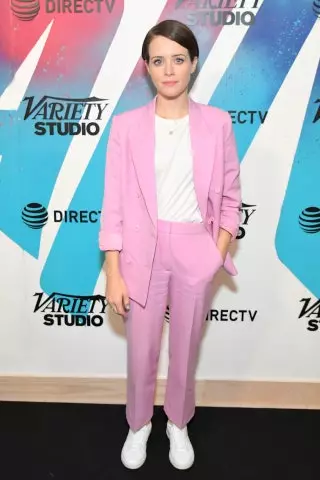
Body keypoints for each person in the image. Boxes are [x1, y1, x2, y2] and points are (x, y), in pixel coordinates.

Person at [99, 19, 241, 470]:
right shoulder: (125, 127)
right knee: (141, 348)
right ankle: (139, 423)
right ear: (146, 67)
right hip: (143, 250)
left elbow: (231, 195)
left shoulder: (217, 123)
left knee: (186, 347)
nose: (169, 70)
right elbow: (114, 203)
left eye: (178, 59)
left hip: (195, 246)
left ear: (193, 63)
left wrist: (215, 252)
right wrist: (114, 271)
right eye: (158, 60)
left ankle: (177, 423)